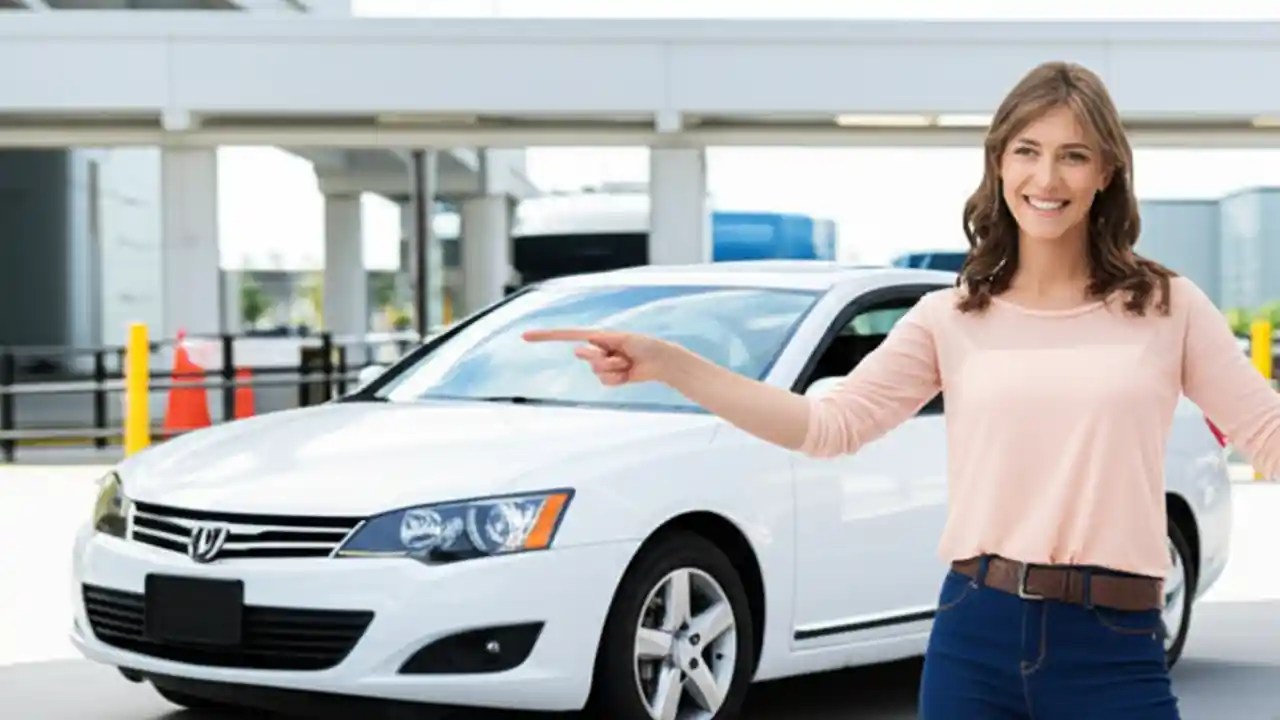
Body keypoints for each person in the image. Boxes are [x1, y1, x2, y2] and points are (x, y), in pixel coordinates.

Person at [524, 61, 1280, 719]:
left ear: (1106, 171)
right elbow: (828, 425)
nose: (1046, 179)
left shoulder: (1164, 305)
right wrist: (670, 363)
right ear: (999, 163)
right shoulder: (952, 316)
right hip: (974, 634)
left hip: (1113, 643)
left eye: (1073, 156)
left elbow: (1267, 435)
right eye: (1027, 152)